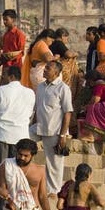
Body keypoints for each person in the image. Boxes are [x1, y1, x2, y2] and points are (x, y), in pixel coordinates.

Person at [33, 59, 73, 196]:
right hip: (38, 127)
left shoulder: (63, 88)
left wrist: (63, 135)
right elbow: (36, 108)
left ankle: (54, 191)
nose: (45, 70)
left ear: (56, 72)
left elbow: (68, 113)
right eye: (45, 68)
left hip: (54, 130)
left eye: (48, 68)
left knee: (54, 164)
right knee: (20, 139)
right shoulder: (40, 87)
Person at [0, 65, 36, 177]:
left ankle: (2, 193)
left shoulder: (0, 90)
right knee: (17, 169)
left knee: (1, 168)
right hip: (20, 134)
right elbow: (30, 114)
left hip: (2, 134)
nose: (3, 77)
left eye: (4, 75)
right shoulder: (30, 92)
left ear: (11, 76)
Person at [0, 9, 26, 82]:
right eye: (3, 20)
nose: (4, 22)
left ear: (13, 20)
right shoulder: (5, 34)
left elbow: (21, 52)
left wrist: (9, 57)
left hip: (15, 67)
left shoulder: (19, 34)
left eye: (6, 20)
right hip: (5, 66)